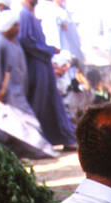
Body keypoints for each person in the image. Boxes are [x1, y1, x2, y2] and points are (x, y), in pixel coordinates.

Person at [0, 8, 55, 155]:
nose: (17, 28)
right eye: (14, 25)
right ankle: (42, 150)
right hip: (6, 93)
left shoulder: (15, 43)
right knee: (25, 122)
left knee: (18, 125)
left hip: (17, 91)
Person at [18, 0, 76, 147]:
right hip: (36, 66)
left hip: (43, 64)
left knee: (51, 102)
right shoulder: (24, 15)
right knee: (40, 102)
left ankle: (62, 138)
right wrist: (49, 50)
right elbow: (26, 41)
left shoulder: (31, 15)